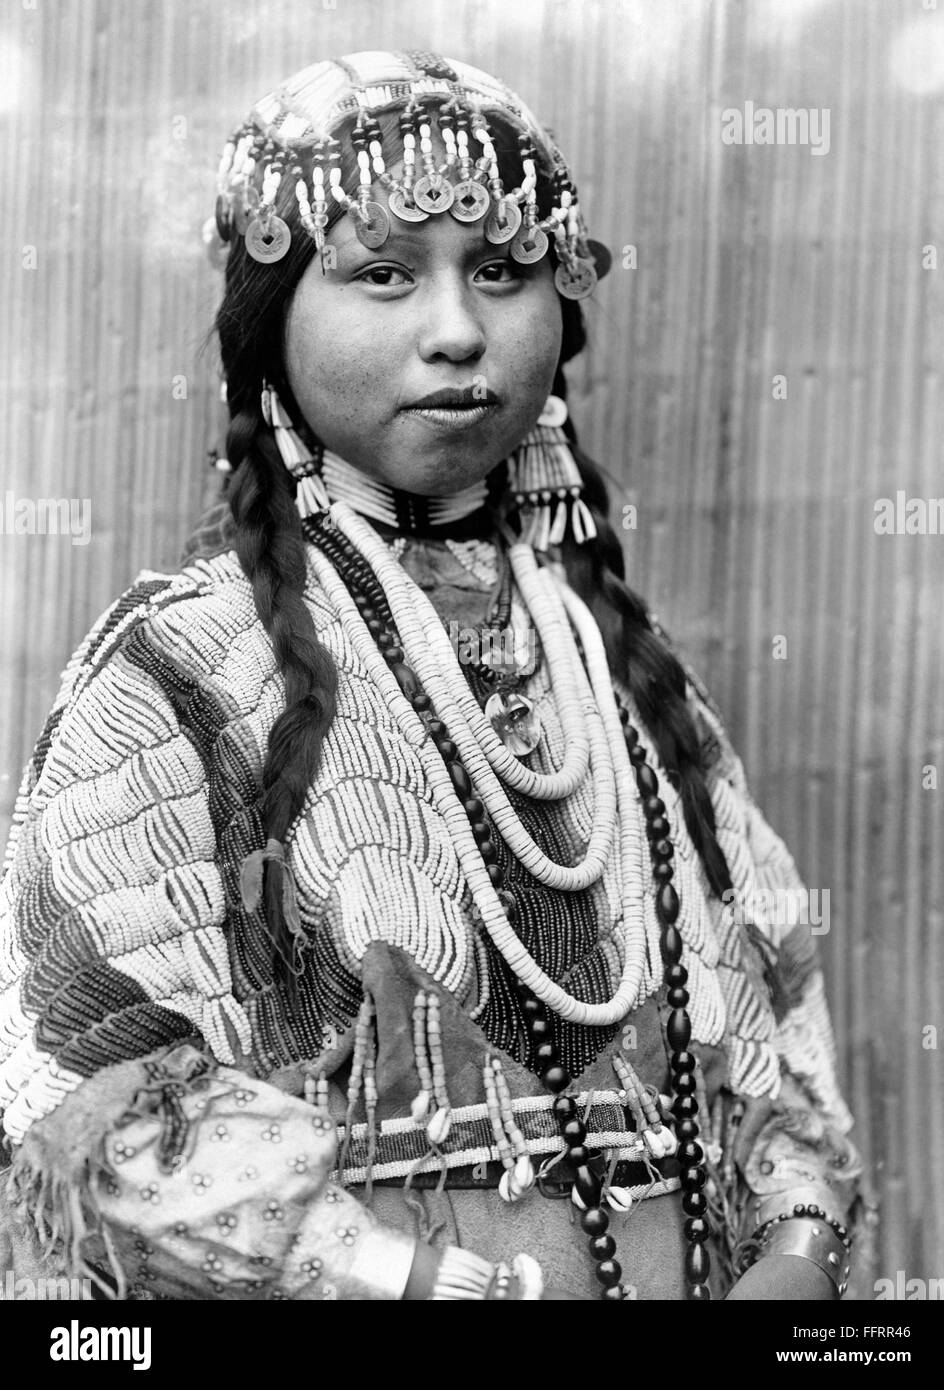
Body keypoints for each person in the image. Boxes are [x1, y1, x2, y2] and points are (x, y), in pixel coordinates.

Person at [0, 49, 864, 1301]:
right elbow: (87, 1104)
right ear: (269, 326)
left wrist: (793, 1248)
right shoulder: (181, 670)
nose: (457, 329)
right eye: (384, 274)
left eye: (503, 271)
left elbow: (780, 1019)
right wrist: (399, 1277)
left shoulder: (621, 673)